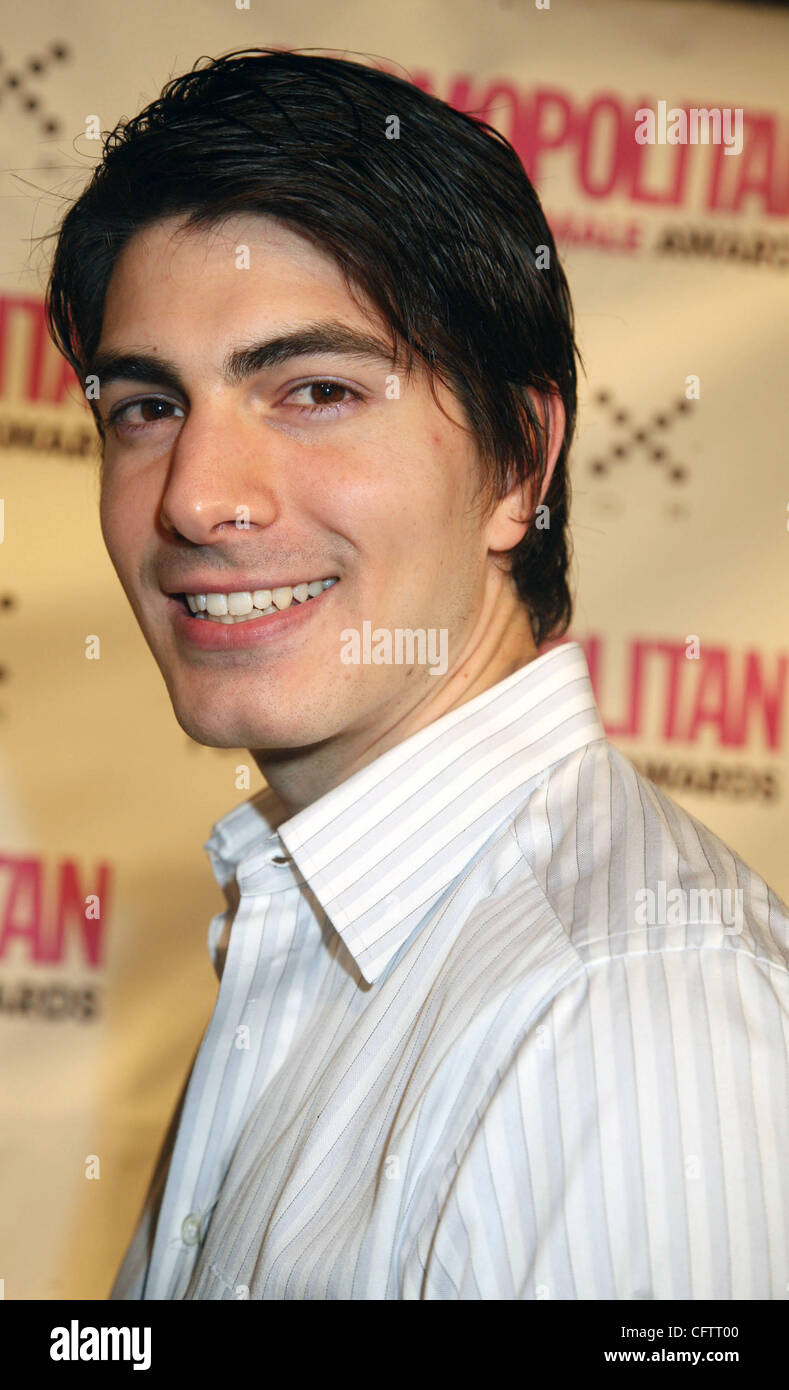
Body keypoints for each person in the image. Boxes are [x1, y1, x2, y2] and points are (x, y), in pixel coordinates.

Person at [45, 47, 788, 1300]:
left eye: (316, 389)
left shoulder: (626, 1014)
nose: (196, 497)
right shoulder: (314, 917)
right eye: (147, 407)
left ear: (518, 464)